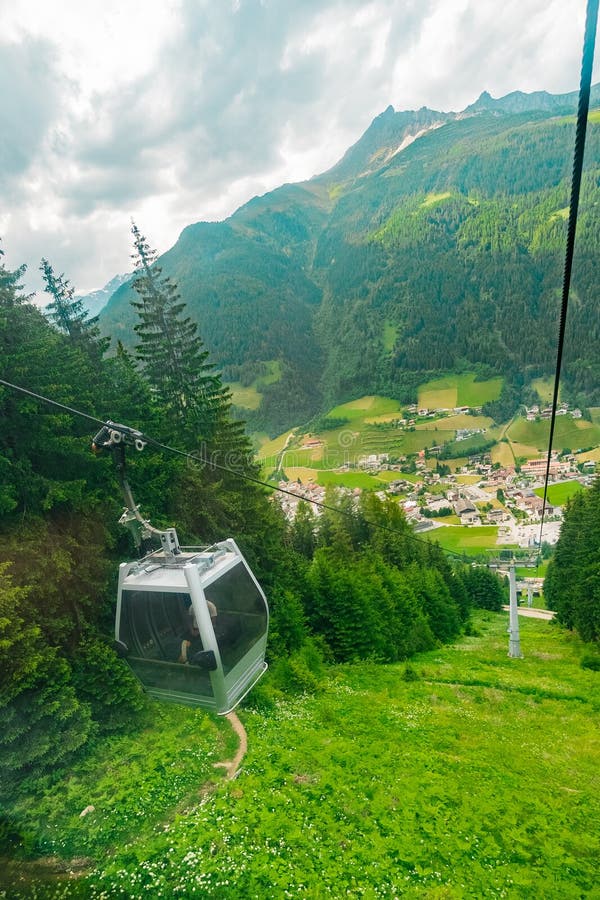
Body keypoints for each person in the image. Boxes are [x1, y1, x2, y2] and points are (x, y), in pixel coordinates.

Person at [179, 599, 217, 663]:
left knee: (202, 645)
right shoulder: (192, 606)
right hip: (195, 629)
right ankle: (186, 659)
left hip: (208, 629)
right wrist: (191, 630)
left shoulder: (211, 606)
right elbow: (189, 619)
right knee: (185, 641)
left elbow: (213, 621)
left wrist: (200, 631)